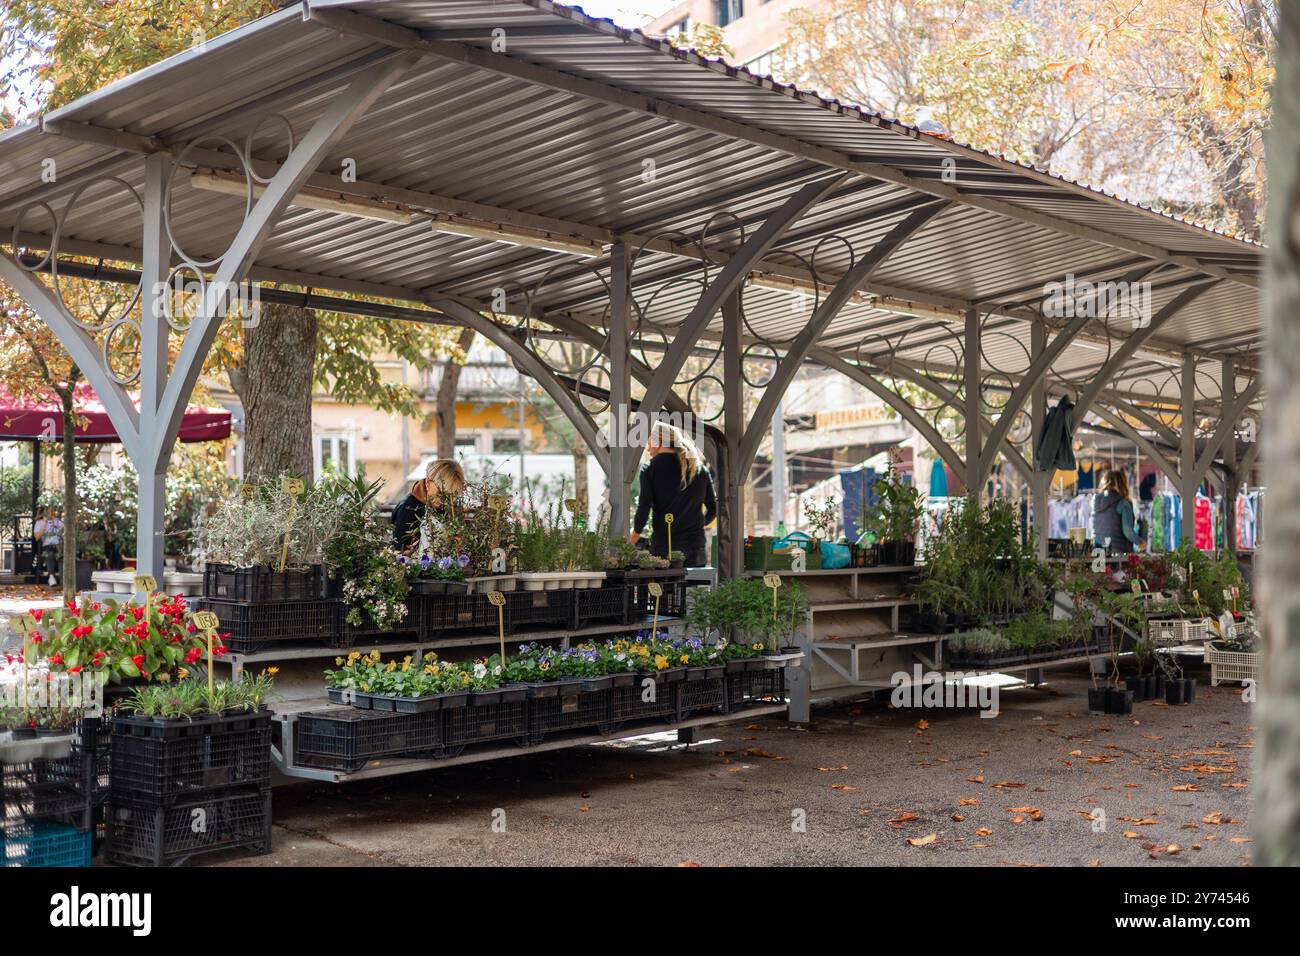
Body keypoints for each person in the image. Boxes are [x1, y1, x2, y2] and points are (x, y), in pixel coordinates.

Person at [630, 422, 716, 567]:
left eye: (649, 441)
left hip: (665, 549)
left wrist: (632, 539)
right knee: (695, 590)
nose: (648, 447)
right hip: (695, 548)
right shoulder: (700, 469)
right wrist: (699, 524)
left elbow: (644, 507)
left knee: (663, 589)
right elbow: (714, 508)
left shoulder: (650, 468)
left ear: (658, 442)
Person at [392, 459, 466, 552]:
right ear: (427, 483)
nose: (443, 501)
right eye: (439, 494)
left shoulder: (446, 506)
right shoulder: (409, 510)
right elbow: (401, 551)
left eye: (450, 496)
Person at [1093, 469, 1143, 554]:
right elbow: (1128, 531)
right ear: (1122, 484)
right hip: (1118, 554)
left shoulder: (1095, 501)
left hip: (1098, 552)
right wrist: (1141, 542)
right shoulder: (1123, 503)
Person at [33, 506, 63, 586]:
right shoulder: (39, 523)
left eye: (52, 511)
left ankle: (62, 578)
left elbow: (64, 530)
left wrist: (56, 525)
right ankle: (51, 577)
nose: (51, 513)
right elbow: (37, 537)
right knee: (50, 553)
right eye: (49, 511)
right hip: (47, 545)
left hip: (59, 545)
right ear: (44, 512)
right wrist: (45, 524)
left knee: (61, 553)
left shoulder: (57, 521)